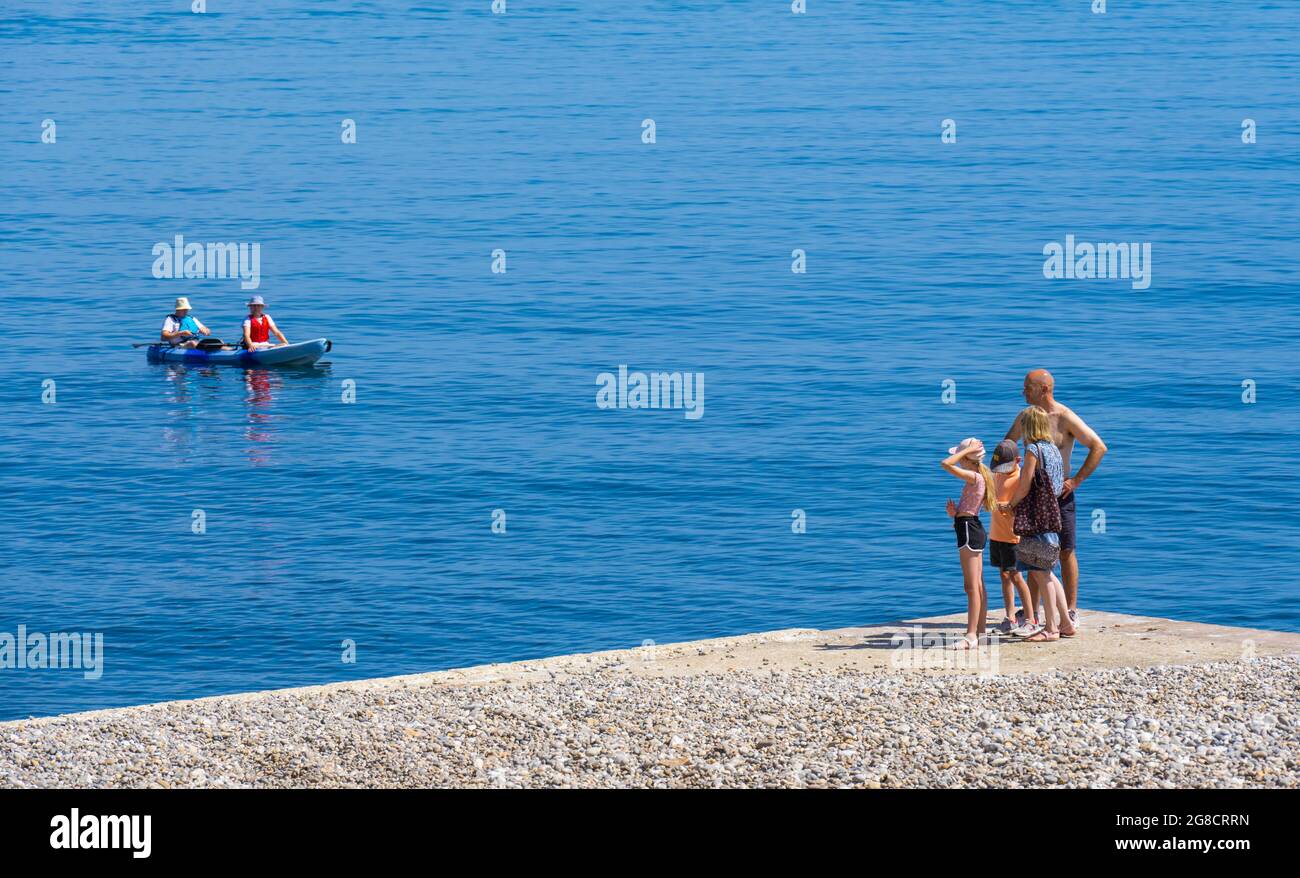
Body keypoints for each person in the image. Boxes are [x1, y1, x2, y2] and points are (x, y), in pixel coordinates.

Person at [1005, 369, 1107, 627]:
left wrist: (1075, 481)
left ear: (1044, 389)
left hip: (1060, 495)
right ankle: (1033, 612)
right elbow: (1008, 445)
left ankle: (1070, 610)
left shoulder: (1063, 417)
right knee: (1032, 553)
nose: (1023, 391)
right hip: (1032, 496)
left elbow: (1098, 447)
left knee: (1066, 550)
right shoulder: (1025, 417)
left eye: (1027, 387)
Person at [1000, 406, 1075, 642]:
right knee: (1049, 573)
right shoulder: (1053, 449)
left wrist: (1010, 505)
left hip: (1036, 517)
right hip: (1052, 514)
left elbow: (1025, 484)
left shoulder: (1033, 450)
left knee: (1040, 572)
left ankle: (1051, 629)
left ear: (1028, 427)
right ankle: (1066, 623)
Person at [942, 437, 997, 650]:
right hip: (968, 526)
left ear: (966, 459)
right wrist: (955, 514)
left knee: (972, 587)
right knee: (978, 585)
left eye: (961, 456)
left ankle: (971, 635)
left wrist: (968, 451)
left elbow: (946, 464)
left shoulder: (974, 476)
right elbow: (970, 508)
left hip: (969, 531)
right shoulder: (977, 478)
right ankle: (980, 631)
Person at [988, 440, 1035, 636]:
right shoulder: (998, 474)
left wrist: (1008, 506)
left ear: (1018, 460)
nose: (1002, 470)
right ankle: (1010, 617)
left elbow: (1024, 506)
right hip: (997, 533)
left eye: (1006, 466)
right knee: (1004, 575)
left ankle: (1031, 618)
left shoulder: (1020, 479)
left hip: (1013, 537)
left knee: (1016, 576)